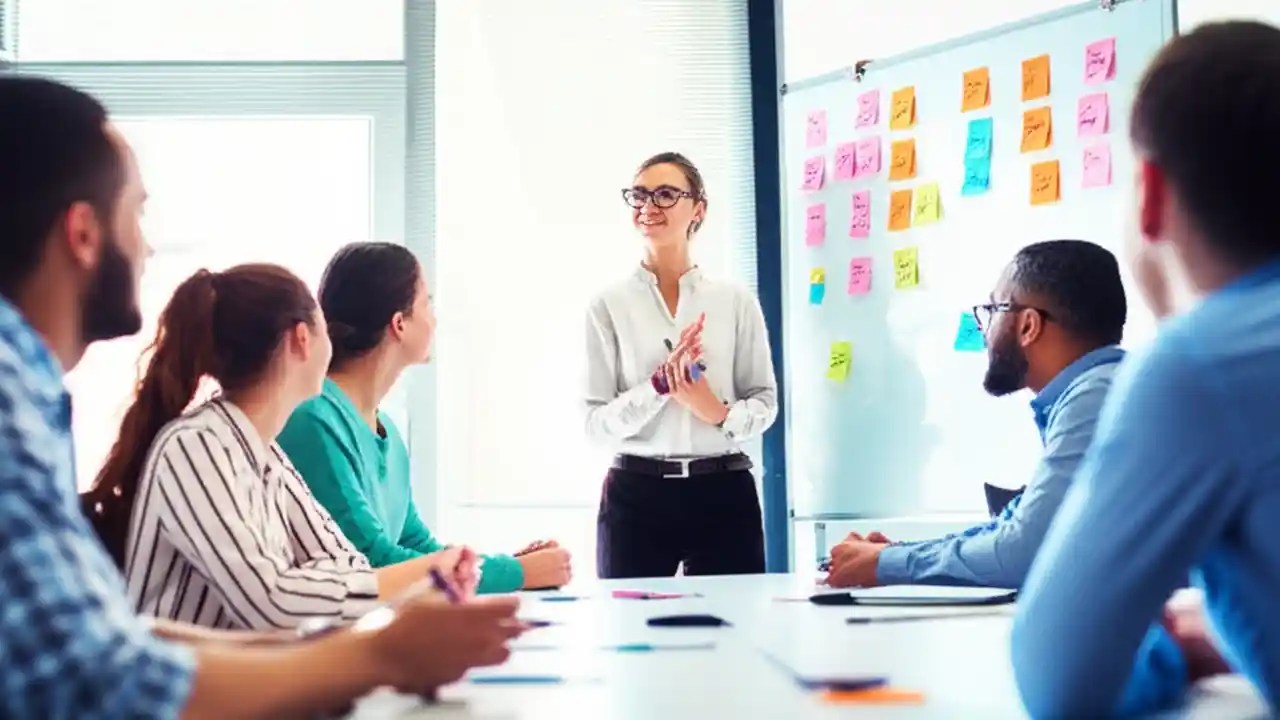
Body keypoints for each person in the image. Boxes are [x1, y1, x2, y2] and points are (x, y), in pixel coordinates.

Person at [0, 75, 519, 718]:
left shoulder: (256, 449)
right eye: (136, 211)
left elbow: (338, 566)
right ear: (82, 233)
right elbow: (103, 674)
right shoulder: (38, 405)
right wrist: (381, 652)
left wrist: (415, 597)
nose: (147, 243)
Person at [1012, 22, 1280, 716]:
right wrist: (1231, 631)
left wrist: (1172, 651)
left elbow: (1057, 682)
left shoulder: (1200, 363)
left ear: (1150, 194)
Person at [90, 262, 484, 630]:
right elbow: (269, 601)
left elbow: (344, 561)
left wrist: (420, 573)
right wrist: (428, 571)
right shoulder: (196, 446)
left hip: (246, 682)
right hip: (188, 696)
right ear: (302, 338)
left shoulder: (266, 452)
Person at [823, 240, 1127, 589]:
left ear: (1029, 325)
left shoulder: (1095, 398)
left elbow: (1023, 552)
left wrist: (884, 564)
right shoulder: (1096, 392)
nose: (985, 329)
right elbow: (1010, 529)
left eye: (994, 308)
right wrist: (896, 554)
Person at [277, 241, 572, 593]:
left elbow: (417, 547)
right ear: (399, 324)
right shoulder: (314, 419)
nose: (434, 318)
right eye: (427, 303)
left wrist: (507, 566)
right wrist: (518, 573)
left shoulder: (387, 432)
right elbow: (371, 562)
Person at [586, 152, 778, 578]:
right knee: (631, 635)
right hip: (635, 496)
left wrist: (719, 412)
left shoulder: (734, 301)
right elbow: (595, 424)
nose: (648, 205)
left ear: (698, 209)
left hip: (724, 492)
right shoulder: (608, 305)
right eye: (638, 195)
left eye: (666, 194)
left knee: (734, 632)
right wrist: (656, 388)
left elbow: (765, 402)